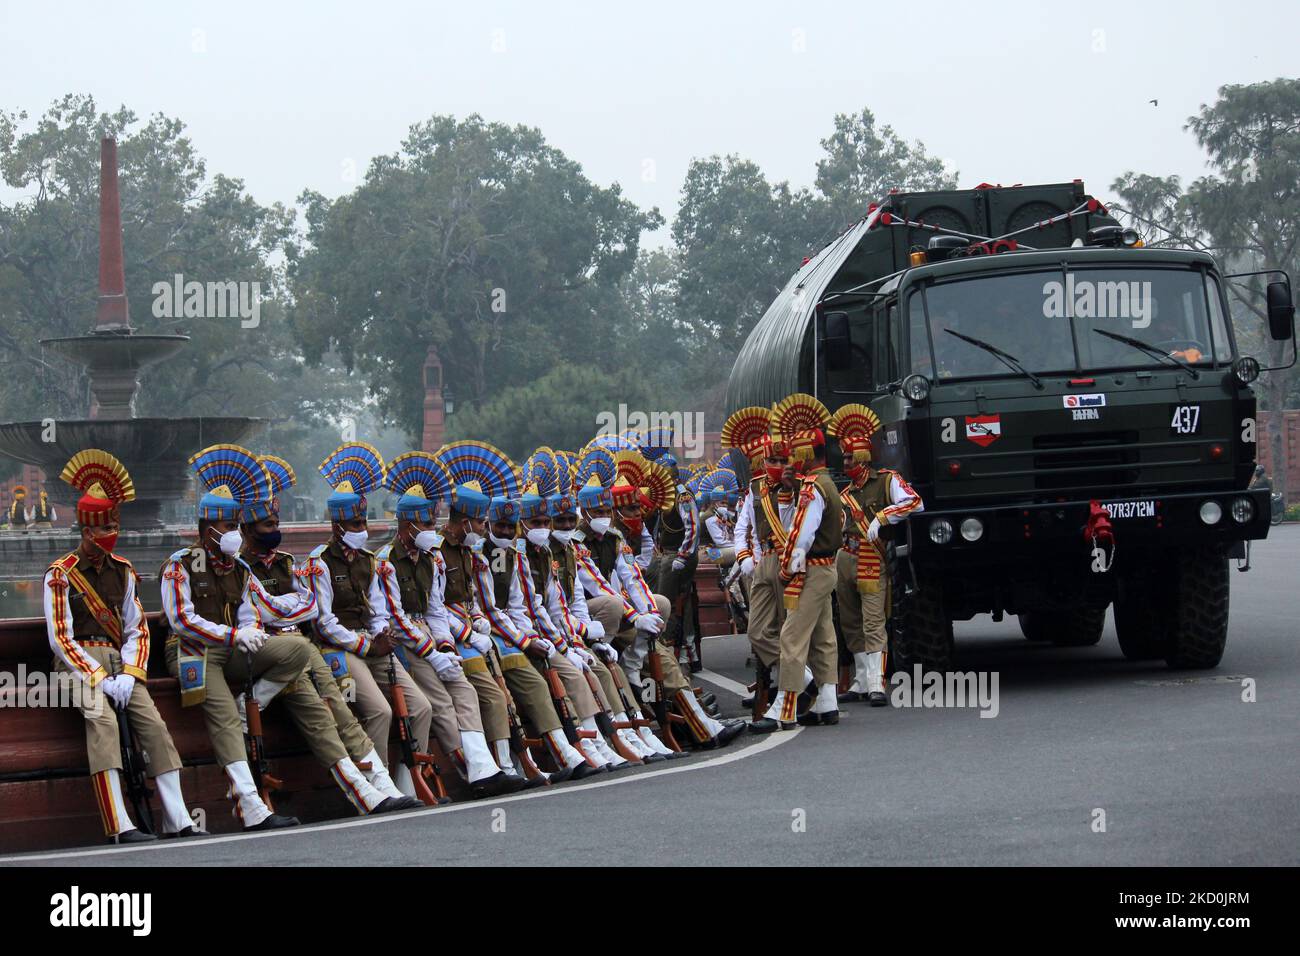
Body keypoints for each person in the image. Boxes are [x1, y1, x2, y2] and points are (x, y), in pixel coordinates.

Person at [162, 444, 408, 826]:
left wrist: (251, 627)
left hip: (241, 647)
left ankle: (367, 787)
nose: (232, 534)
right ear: (206, 529)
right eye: (228, 528)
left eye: (233, 527)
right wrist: (235, 634)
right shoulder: (180, 565)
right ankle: (250, 805)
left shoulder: (241, 568)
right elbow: (182, 619)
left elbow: (265, 608)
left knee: (303, 661)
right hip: (195, 651)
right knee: (225, 716)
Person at [303, 442, 510, 800]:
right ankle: (379, 786)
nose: (362, 528)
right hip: (346, 646)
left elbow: (429, 608)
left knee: (434, 702)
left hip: (391, 638)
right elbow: (325, 622)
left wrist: (444, 644)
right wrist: (384, 644)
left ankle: (476, 768)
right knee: (384, 710)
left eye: (364, 521)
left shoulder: (399, 559)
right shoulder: (322, 562)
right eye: (355, 523)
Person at [44, 449, 204, 843]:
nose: (111, 535)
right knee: (102, 723)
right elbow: (60, 637)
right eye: (104, 530)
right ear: (86, 532)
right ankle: (120, 824)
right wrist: (99, 676)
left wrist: (131, 674)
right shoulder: (59, 576)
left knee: (154, 725)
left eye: (114, 527)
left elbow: (138, 629)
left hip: (120, 662)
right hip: (75, 663)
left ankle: (178, 817)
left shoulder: (125, 571)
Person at [239, 453, 416, 805]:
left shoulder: (291, 564)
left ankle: (384, 783)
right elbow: (289, 613)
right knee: (337, 713)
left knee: (339, 705)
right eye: (267, 525)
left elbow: (305, 606)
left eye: (276, 522)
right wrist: (363, 645)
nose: (275, 530)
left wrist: (379, 637)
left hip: (312, 647)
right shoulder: (251, 566)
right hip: (292, 650)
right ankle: (363, 788)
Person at [436, 440, 603, 781]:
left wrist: (543, 639)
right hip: (450, 639)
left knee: (534, 681)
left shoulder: (478, 555)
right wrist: (475, 632)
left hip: (490, 633)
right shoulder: (438, 553)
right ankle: (506, 765)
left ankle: (569, 749)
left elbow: (499, 607)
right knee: (496, 692)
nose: (489, 530)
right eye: (486, 524)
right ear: (465, 521)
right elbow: (436, 608)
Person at [374, 450, 525, 797]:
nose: (433, 530)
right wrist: (432, 649)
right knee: (438, 699)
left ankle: (484, 766)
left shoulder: (433, 558)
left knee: (464, 688)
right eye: (426, 525)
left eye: (432, 522)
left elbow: (437, 608)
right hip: (401, 638)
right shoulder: (385, 561)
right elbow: (396, 616)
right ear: (405, 525)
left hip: (429, 634)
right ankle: (466, 767)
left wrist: (444, 644)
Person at [587, 447, 743, 749]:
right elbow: (601, 589)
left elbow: (633, 579)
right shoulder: (581, 544)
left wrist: (646, 613)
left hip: (627, 609)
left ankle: (693, 719)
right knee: (659, 650)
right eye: (630, 510)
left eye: (609, 512)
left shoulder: (617, 539)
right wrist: (637, 616)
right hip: (598, 621)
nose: (638, 514)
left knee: (661, 613)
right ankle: (696, 723)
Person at [751, 394, 843, 733]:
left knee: (791, 636)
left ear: (805, 453)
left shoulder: (811, 488)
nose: (791, 461)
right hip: (827, 567)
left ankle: (785, 707)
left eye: (794, 454)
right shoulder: (828, 482)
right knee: (822, 635)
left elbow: (801, 535)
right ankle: (828, 700)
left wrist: (789, 567)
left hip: (812, 568)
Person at [828, 404, 924, 706]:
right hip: (845, 557)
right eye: (843, 457)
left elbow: (915, 502)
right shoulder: (844, 494)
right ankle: (859, 680)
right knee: (850, 621)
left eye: (849, 457)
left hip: (872, 556)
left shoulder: (886, 480)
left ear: (862, 457)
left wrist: (883, 517)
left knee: (872, 620)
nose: (845, 463)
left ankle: (876, 682)